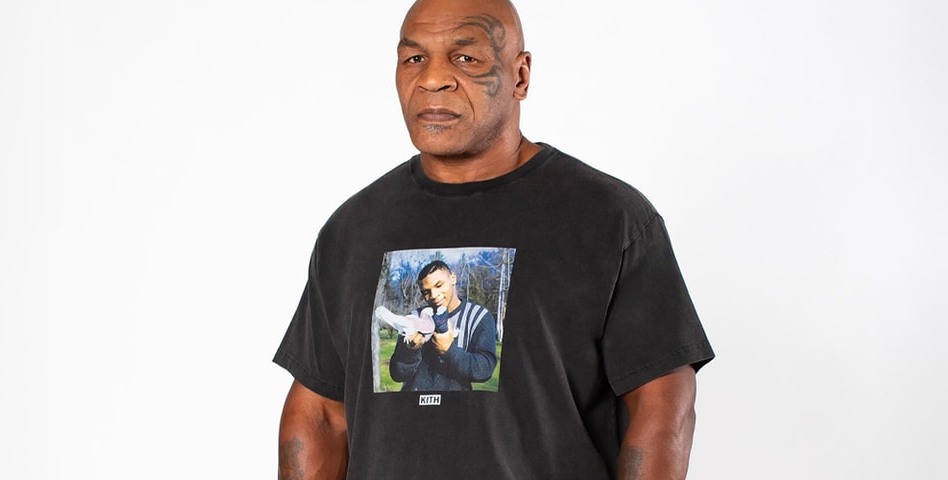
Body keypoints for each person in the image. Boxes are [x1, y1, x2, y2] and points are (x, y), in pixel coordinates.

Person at [273, 0, 714, 478]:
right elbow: (321, 413)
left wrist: (447, 348)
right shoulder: (353, 229)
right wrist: (413, 347)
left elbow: (662, 403)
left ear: (520, 76)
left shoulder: (609, 218)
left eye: (466, 58)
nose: (432, 79)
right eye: (414, 58)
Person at [388, 260, 499, 392]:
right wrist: (410, 350)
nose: (434, 295)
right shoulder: (414, 319)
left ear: (453, 278)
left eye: (439, 285)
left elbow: (485, 369)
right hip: (414, 402)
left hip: (456, 403)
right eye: (426, 292)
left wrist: (449, 351)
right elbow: (397, 374)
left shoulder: (478, 316)